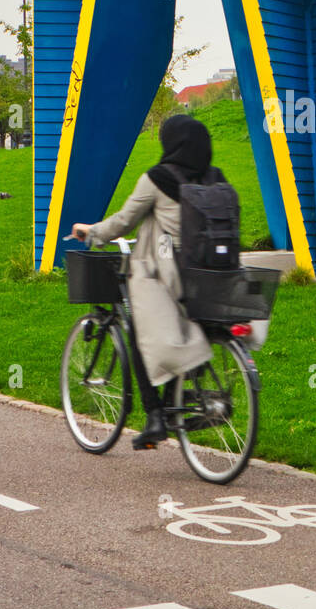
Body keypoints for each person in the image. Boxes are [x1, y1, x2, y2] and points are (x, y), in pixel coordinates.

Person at [71, 116, 222, 449]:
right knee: (179, 332)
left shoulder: (158, 178)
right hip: (212, 274)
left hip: (169, 275)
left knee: (140, 336)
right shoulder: (215, 179)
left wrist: (90, 231)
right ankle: (174, 404)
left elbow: (124, 222)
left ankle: (155, 415)